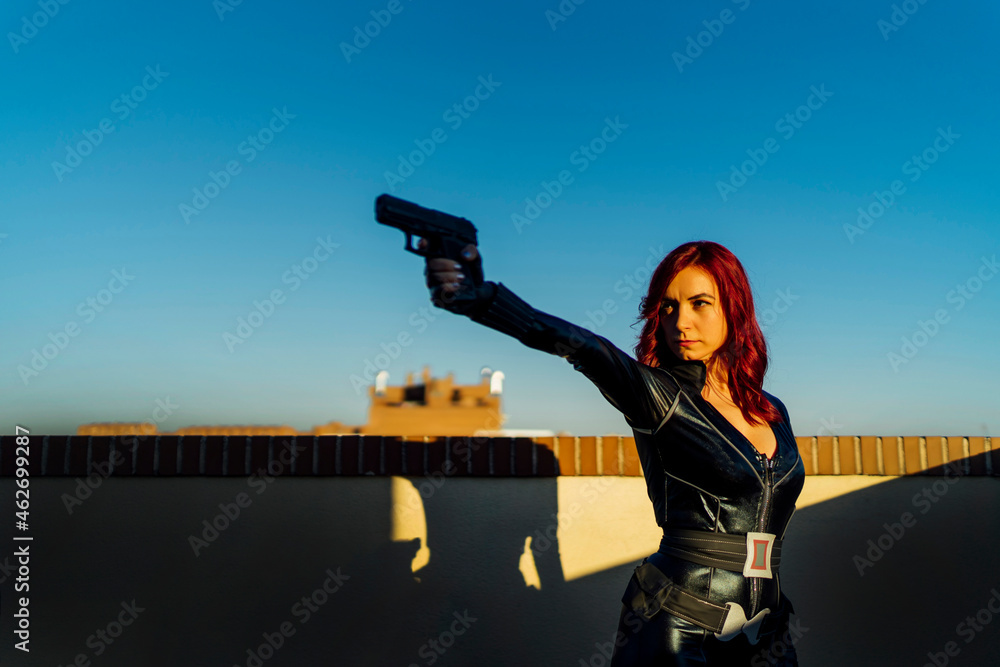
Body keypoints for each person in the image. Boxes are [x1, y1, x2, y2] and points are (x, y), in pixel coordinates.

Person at [421, 236, 806, 666]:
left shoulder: (772, 410)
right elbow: (587, 347)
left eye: (700, 303)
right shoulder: (659, 397)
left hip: (766, 628)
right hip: (678, 626)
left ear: (734, 308)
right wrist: (480, 299)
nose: (681, 322)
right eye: (669, 307)